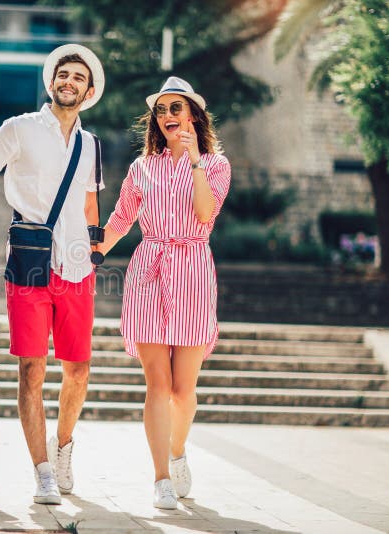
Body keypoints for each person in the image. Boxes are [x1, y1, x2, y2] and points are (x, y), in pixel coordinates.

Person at [0, 44, 105, 505]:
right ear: (51, 82)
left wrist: (95, 244)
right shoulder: (19, 128)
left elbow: (88, 203)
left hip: (77, 267)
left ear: (89, 90)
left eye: (78, 78)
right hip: (30, 261)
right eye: (63, 74)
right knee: (30, 370)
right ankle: (42, 471)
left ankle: (64, 449)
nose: (69, 82)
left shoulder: (90, 144)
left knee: (78, 370)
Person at [95, 76, 231, 509]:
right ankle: (160, 479)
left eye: (177, 108)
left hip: (192, 270)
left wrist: (193, 160)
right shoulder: (141, 168)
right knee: (158, 384)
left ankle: (177, 451)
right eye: (162, 110)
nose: (168, 115)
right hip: (149, 270)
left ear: (193, 115)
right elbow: (119, 220)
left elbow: (205, 214)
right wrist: (88, 252)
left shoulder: (216, 165)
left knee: (182, 390)